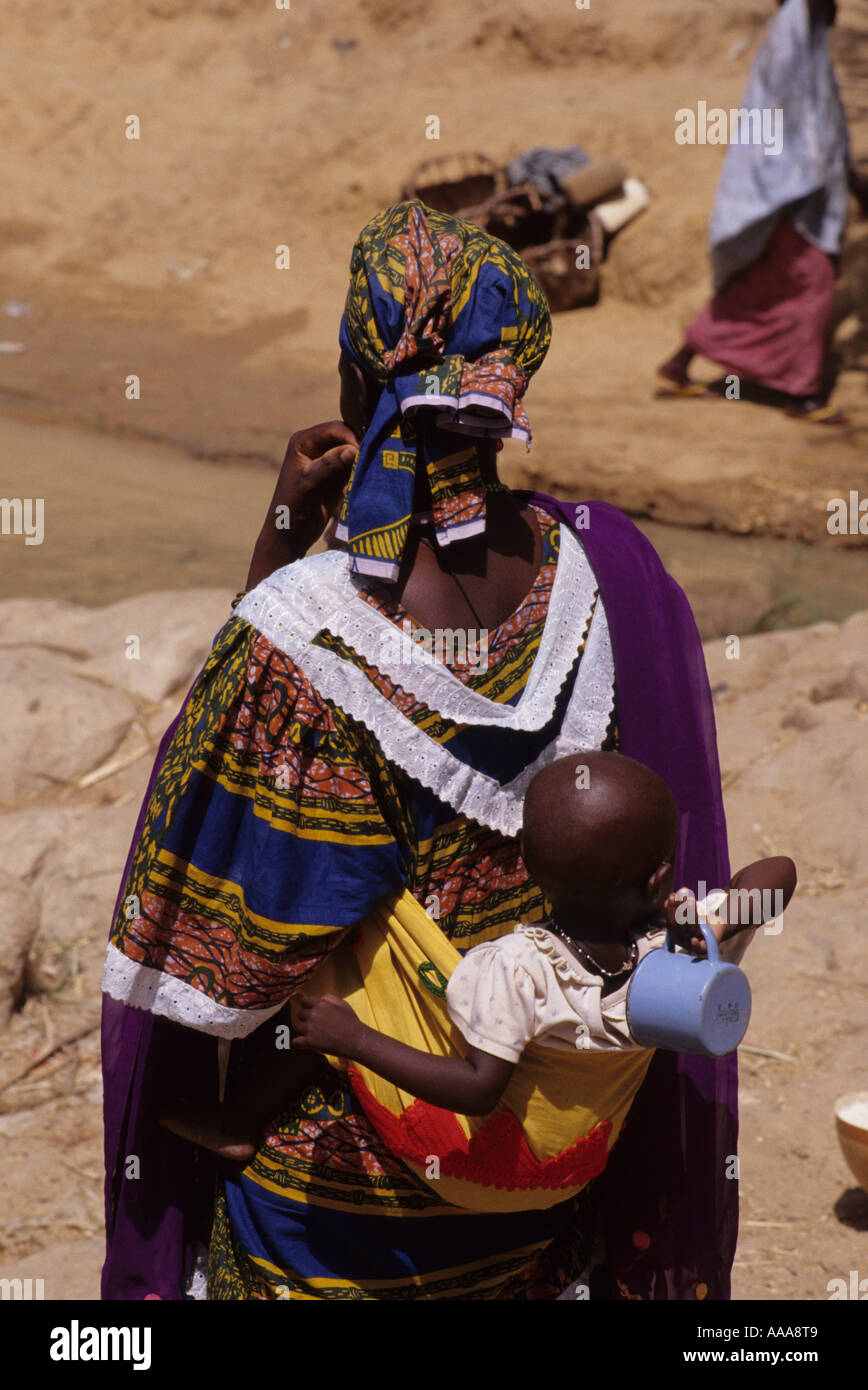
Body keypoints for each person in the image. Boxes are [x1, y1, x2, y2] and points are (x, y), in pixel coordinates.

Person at [102, 199, 738, 1301]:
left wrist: (286, 544)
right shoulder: (607, 575)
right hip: (539, 1170)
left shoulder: (303, 632)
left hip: (350, 1195)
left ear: (361, 385)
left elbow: (216, 940)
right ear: (506, 389)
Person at [158, 753, 795, 1165]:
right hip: (580, 1155)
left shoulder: (516, 969)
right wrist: (721, 914)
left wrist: (355, 1040)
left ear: (529, 870)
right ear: (658, 878)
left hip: (492, 1164)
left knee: (333, 970)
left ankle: (235, 1120)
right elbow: (781, 872)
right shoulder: (674, 952)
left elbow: (478, 1089)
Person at [659, 0, 868, 425]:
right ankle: (802, 395)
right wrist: (799, 184)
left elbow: (824, 128)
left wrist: (853, 184)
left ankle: (681, 361)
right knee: (814, 284)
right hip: (787, 194)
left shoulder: (807, 48)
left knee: (761, 284)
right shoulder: (790, 42)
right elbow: (792, 129)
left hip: (795, 194)